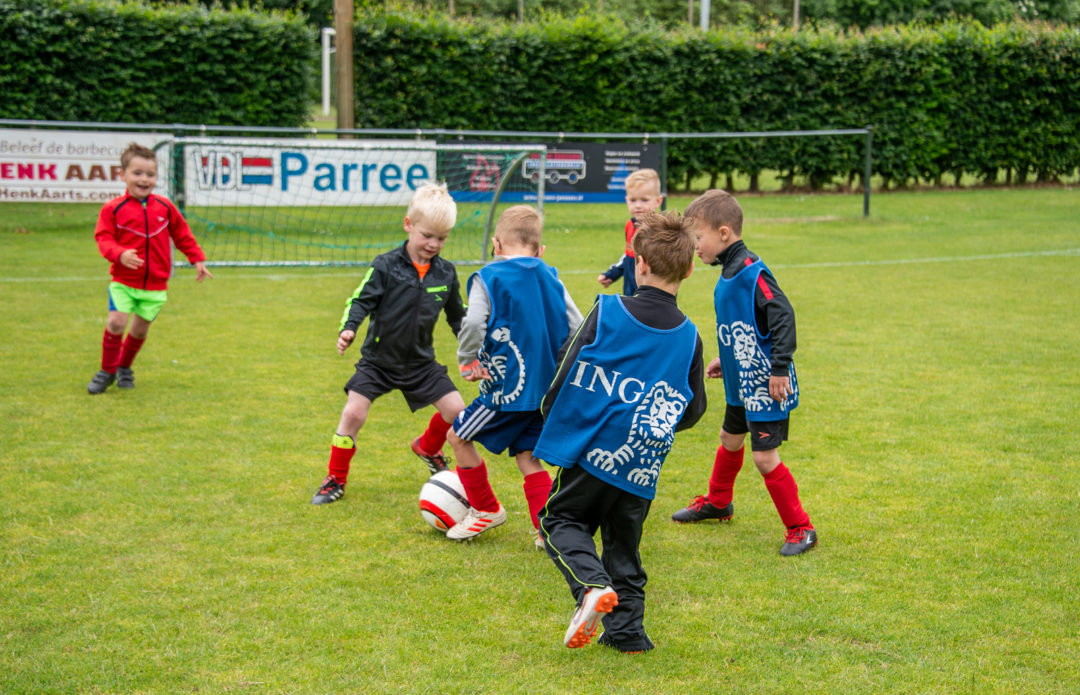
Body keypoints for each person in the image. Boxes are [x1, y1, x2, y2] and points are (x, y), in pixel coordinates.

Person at [535, 211, 706, 653]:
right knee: (623, 547)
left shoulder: (608, 309)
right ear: (688, 270)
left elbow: (567, 367)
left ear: (639, 264)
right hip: (642, 466)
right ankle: (628, 635)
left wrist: (551, 414)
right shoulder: (690, 337)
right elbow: (692, 409)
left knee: (560, 520)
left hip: (595, 451)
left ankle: (590, 587)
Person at [671, 189, 817, 557]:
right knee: (729, 438)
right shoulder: (729, 273)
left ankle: (802, 528)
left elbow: (782, 316)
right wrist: (727, 356)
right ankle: (719, 502)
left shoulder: (753, 272)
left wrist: (779, 368)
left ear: (723, 234)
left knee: (763, 457)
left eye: (698, 238)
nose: (694, 246)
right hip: (742, 382)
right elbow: (744, 326)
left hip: (766, 384)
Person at [311, 183, 468, 505]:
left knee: (457, 412)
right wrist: (349, 329)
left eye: (442, 238)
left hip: (421, 363)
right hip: (378, 362)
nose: (434, 244)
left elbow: (457, 318)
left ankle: (427, 446)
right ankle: (334, 480)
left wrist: (476, 349)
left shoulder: (446, 273)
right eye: (427, 235)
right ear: (408, 225)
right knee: (353, 413)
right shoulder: (385, 265)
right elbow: (359, 300)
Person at [444, 206, 582, 546]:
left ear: (496, 244)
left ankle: (486, 509)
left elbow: (474, 323)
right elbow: (578, 327)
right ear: (540, 250)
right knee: (529, 456)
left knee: (458, 438)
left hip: (505, 393)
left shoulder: (488, 277)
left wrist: (466, 361)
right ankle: (546, 529)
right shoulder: (552, 276)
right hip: (545, 393)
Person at [87, 143, 213, 395]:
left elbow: (182, 234)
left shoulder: (165, 207)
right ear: (122, 175)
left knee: (139, 330)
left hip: (155, 285)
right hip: (123, 282)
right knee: (116, 322)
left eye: (150, 174)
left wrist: (196, 258)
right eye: (137, 173)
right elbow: (103, 238)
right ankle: (106, 371)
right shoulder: (113, 209)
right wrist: (119, 253)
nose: (144, 179)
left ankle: (125, 367)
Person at [596, 168, 664, 296]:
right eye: (633, 200)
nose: (638, 205)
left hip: (653, 298)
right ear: (627, 200)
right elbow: (628, 256)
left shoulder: (661, 230)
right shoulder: (630, 225)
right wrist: (613, 274)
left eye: (644, 200)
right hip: (630, 294)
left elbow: (670, 267)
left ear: (658, 201)